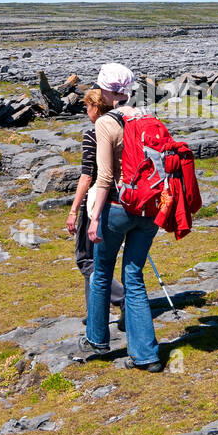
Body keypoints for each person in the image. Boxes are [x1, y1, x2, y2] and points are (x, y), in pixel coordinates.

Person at [81, 63, 164, 372]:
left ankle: (98, 339)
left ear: (106, 90)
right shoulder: (148, 117)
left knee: (101, 272)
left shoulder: (105, 123)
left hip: (117, 207)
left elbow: (103, 178)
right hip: (149, 208)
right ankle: (146, 356)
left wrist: (92, 220)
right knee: (134, 277)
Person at [65, 87, 124, 318]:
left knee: (85, 259)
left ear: (95, 107)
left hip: (95, 202)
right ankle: (94, 313)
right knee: (95, 257)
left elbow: (87, 175)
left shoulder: (93, 134)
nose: (86, 111)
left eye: (87, 107)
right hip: (119, 199)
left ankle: (121, 296)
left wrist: (73, 211)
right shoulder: (120, 127)